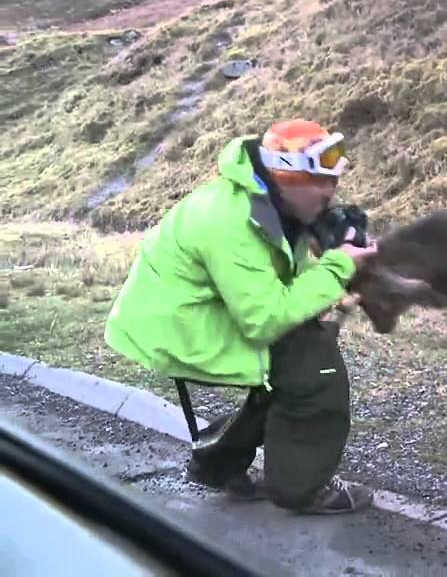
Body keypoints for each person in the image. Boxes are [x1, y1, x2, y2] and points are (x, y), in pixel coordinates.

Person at [103, 119, 379, 515]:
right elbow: (264, 320)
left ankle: (216, 464)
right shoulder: (229, 220)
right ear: (287, 176)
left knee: (296, 354)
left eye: (334, 180)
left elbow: (282, 278)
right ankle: (302, 490)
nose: (331, 192)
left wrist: (334, 273)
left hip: (204, 312)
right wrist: (338, 268)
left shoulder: (268, 203)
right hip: (177, 328)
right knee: (316, 370)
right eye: (322, 181)